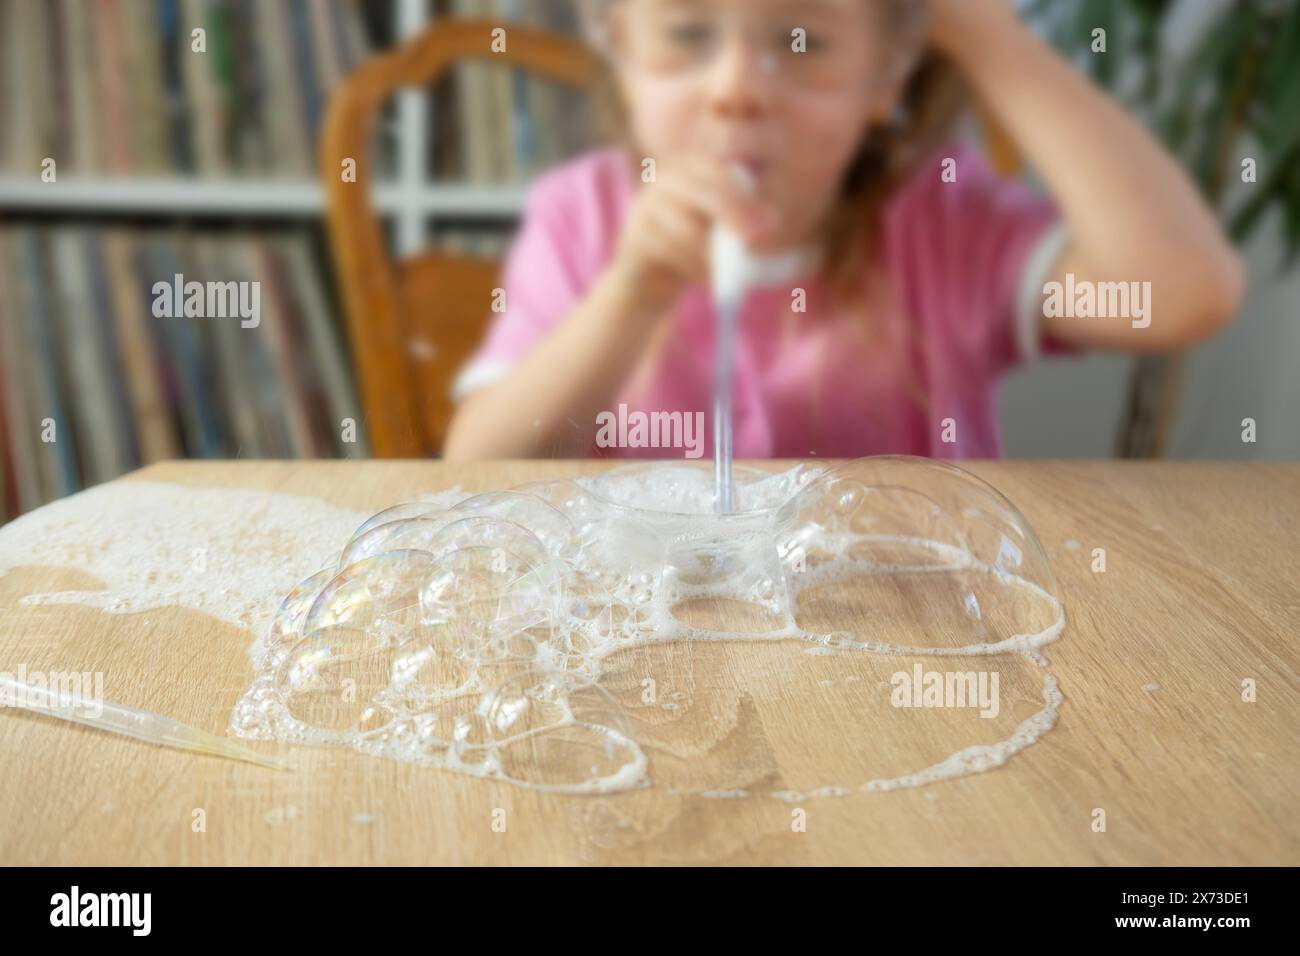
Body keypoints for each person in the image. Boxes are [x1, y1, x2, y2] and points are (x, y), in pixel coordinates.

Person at [444, 0, 1244, 461]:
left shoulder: (941, 222)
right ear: (620, 47)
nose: (736, 88)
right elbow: (479, 467)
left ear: (886, 73)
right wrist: (630, 296)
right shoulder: (582, 216)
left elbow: (1181, 293)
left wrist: (982, 33)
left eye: (805, 42)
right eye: (687, 34)